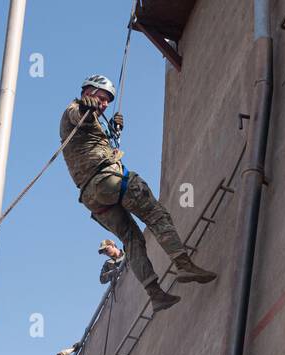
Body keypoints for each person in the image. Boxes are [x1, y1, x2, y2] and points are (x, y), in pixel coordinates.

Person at [60, 74, 216, 313]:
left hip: (92, 198)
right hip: (108, 179)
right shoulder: (75, 109)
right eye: (101, 98)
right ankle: (183, 264)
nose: (104, 104)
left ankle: (155, 294)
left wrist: (112, 127)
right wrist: (86, 106)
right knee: (155, 214)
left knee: (132, 240)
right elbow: (78, 115)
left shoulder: (90, 120)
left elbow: (88, 130)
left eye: (107, 102)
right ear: (87, 91)